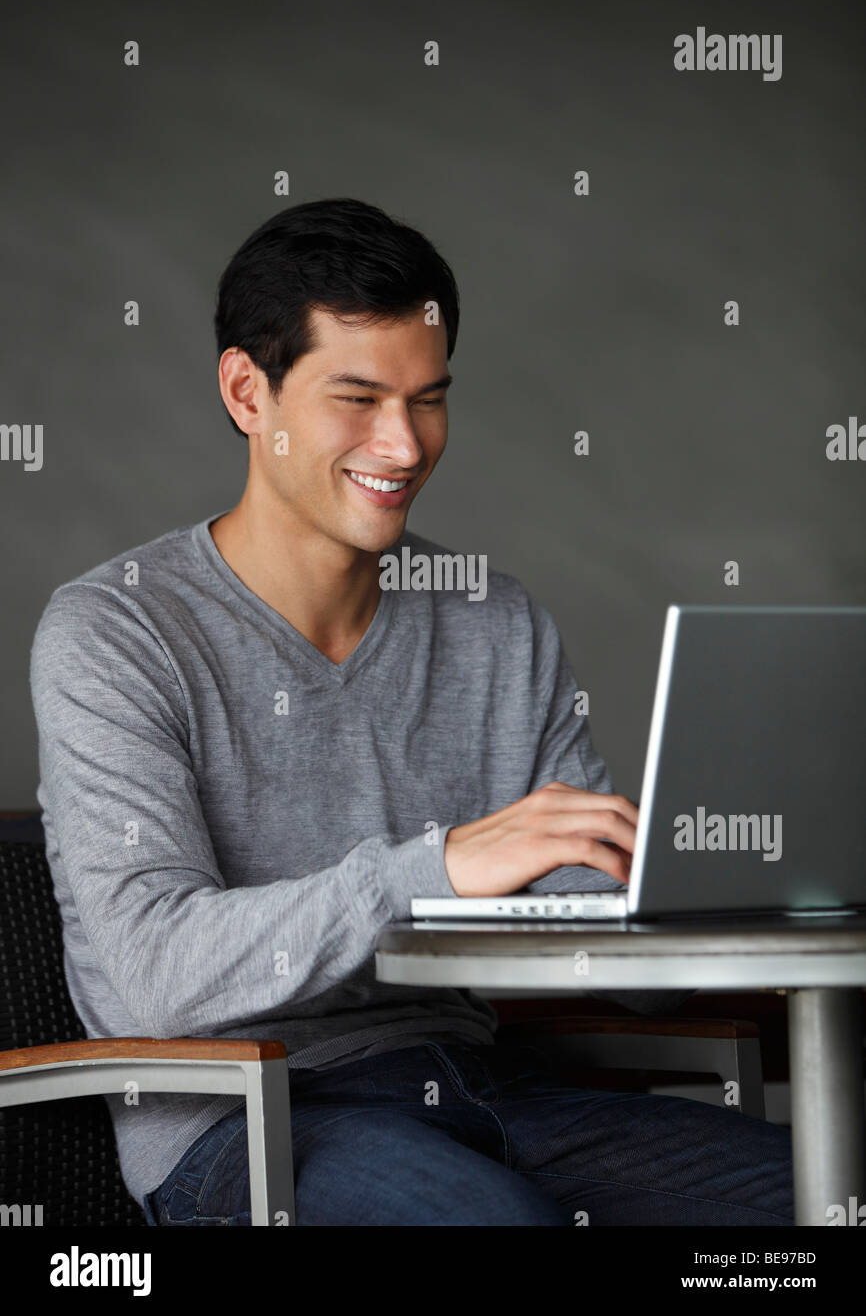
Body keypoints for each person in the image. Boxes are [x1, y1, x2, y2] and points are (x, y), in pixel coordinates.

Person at [29, 197, 793, 1225]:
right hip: (250, 1120)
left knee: (824, 1199)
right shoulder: (113, 633)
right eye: (358, 396)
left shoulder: (494, 619)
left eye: (427, 397)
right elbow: (157, 972)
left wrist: (695, 889)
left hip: (489, 1085)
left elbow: (585, 922)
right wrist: (437, 866)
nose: (403, 442)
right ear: (248, 392)